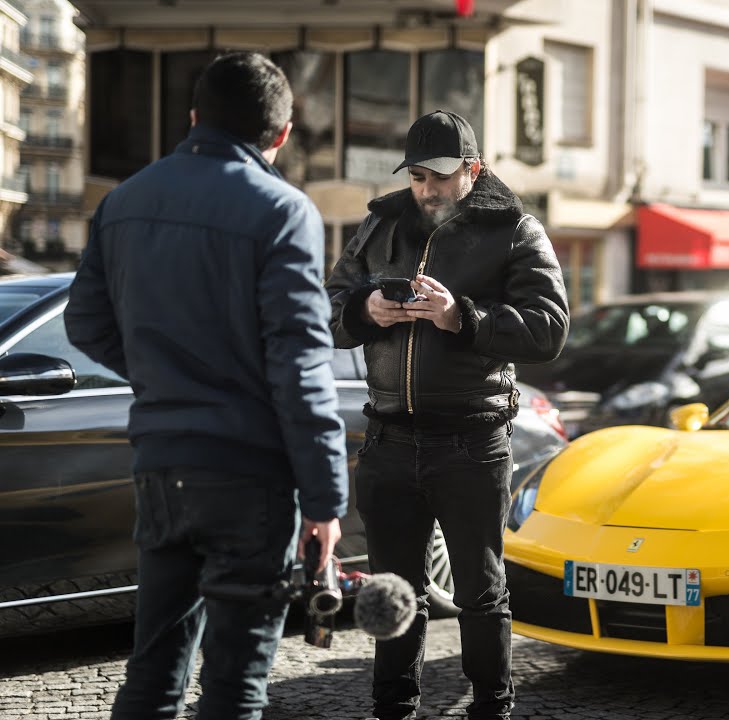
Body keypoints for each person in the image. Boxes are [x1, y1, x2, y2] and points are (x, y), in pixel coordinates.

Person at [64, 52, 348, 720]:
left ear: (193, 118)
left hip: (162, 464)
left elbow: (84, 323)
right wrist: (326, 500)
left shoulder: (125, 200)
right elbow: (302, 365)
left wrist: (165, 378)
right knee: (235, 683)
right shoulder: (283, 210)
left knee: (153, 670)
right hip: (249, 474)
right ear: (279, 135)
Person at [325, 110, 569, 720]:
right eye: (416, 177)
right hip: (386, 436)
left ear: (472, 169)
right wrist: (364, 309)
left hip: (471, 440)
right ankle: (394, 709)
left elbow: (550, 329)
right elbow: (325, 308)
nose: (427, 189)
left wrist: (464, 317)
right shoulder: (381, 222)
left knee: (481, 592)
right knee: (393, 592)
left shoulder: (515, 228)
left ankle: (492, 706)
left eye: (438, 176)